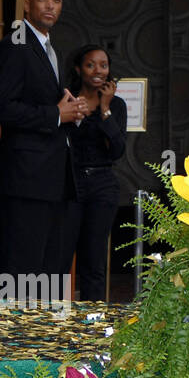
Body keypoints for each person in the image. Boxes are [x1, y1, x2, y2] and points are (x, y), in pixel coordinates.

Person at [0, 0, 87, 280]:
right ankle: (15, 326)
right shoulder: (15, 44)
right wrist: (55, 114)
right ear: (27, 3)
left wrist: (69, 110)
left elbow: (41, 103)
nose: (50, 6)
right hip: (25, 180)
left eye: (56, 0)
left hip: (51, 178)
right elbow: (2, 108)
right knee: (22, 270)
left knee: (47, 269)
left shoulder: (46, 46)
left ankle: (38, 326)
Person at [61, 45, 127, 302]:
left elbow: (117, 150)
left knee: (94, 258)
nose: (98, 71)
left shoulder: (116, 105)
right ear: (78, 68)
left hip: (102, 185)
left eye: (103, 65)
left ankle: (93, 320)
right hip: (69, 183)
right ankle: (55, 319)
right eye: (91, 65)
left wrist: (105, 109)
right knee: (61, 255)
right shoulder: (66, 99)